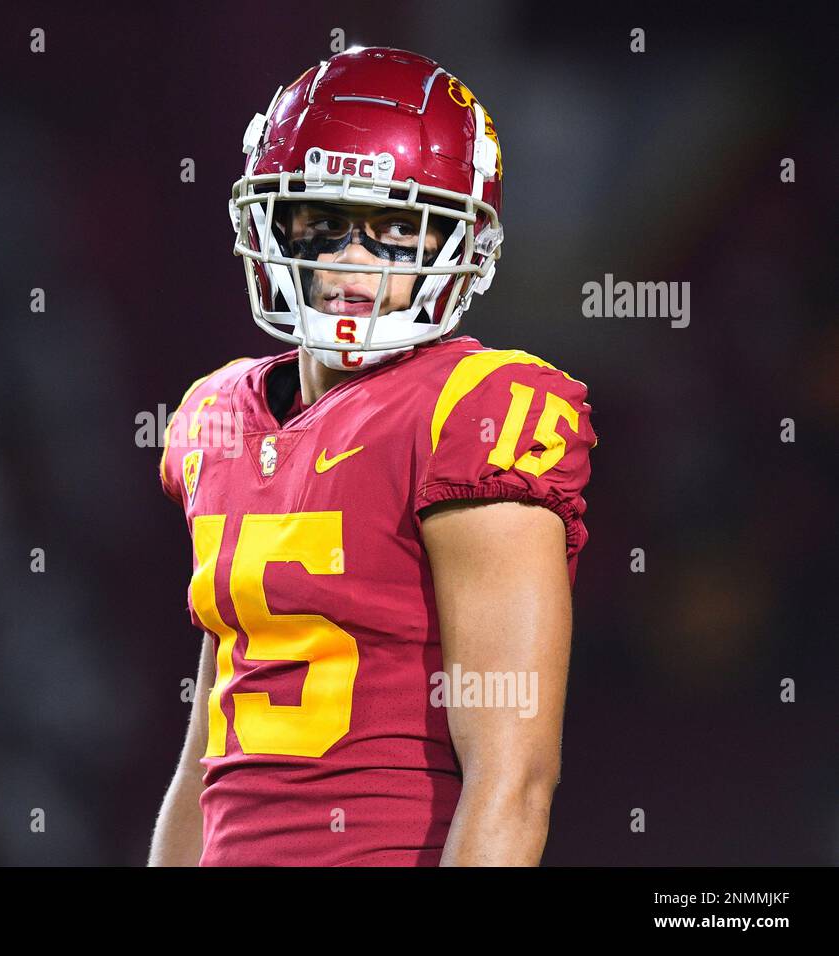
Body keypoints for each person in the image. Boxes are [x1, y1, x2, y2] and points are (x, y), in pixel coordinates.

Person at [149, 47, 596, 866]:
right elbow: (208, 761)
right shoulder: (216, 416)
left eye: (397, 227)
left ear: (455, 240)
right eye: (324, 220)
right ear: (271, 222)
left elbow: (513, 779)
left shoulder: (474, 411)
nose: (354, 263)